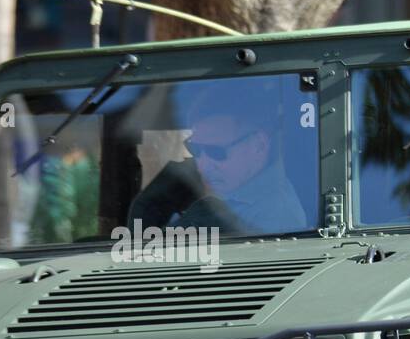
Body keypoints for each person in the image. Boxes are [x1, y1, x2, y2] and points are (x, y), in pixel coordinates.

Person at [129, 85, 307, 236]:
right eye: (196, 150)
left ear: (259, 145)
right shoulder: (231, 194)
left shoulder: (276, 216)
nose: (202, 165)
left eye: (216, 152)